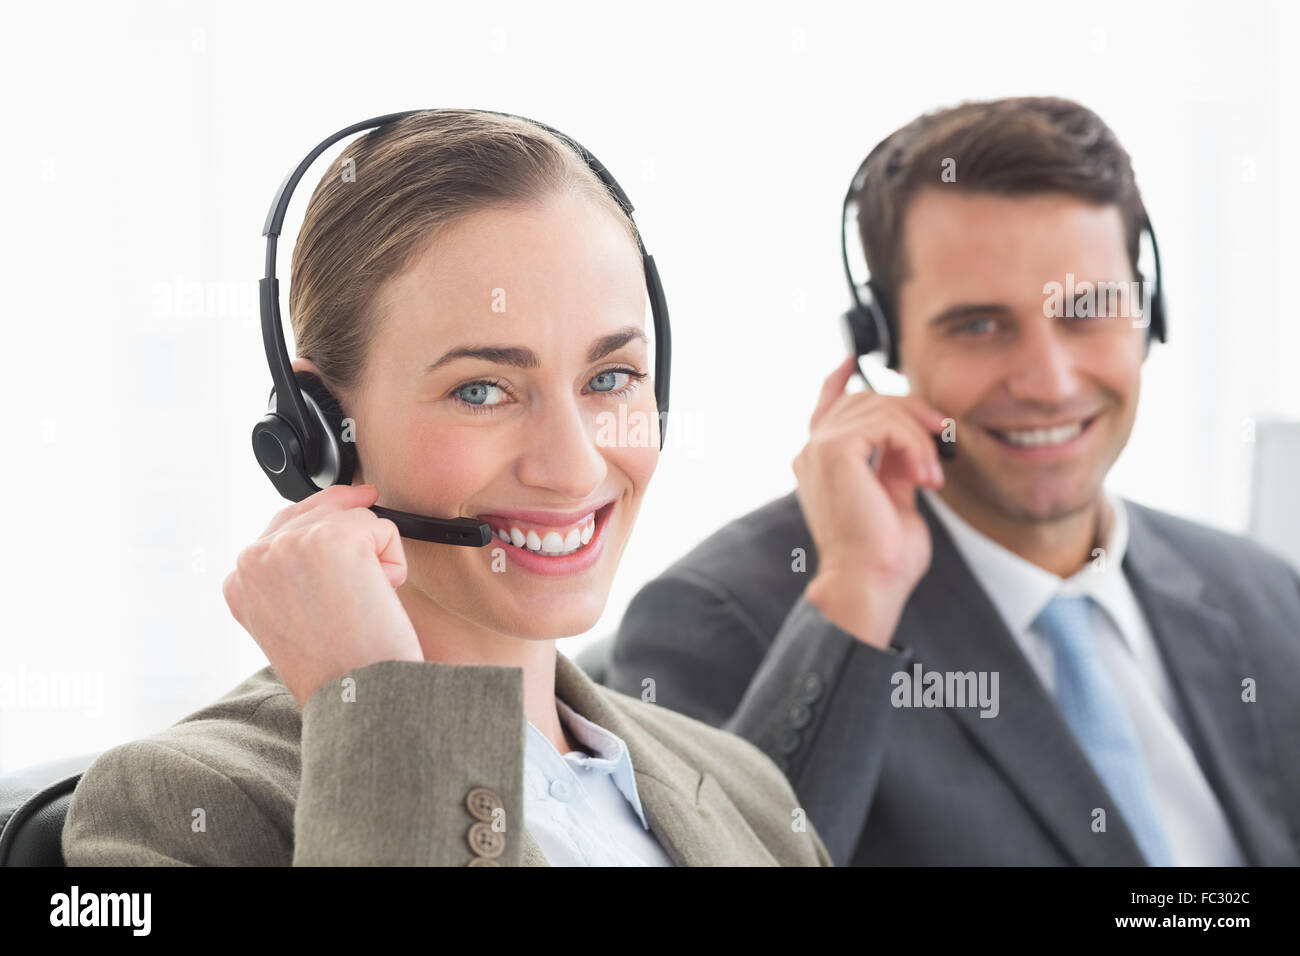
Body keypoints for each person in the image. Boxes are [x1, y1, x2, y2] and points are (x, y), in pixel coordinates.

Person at [60, 109, 831, 867]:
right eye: (481, 391)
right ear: (321, 425)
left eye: (611, 377)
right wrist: (383, 709)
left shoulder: (743, 789)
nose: (574, 467)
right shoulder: (181, 809)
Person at [606, 96, 1300, 866]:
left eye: (1089, 311)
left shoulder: (1264, 596)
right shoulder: (724, 621)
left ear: (1149, 314)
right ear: (884, 346)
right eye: (979, 326)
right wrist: (858, 592)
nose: (1048, 380)